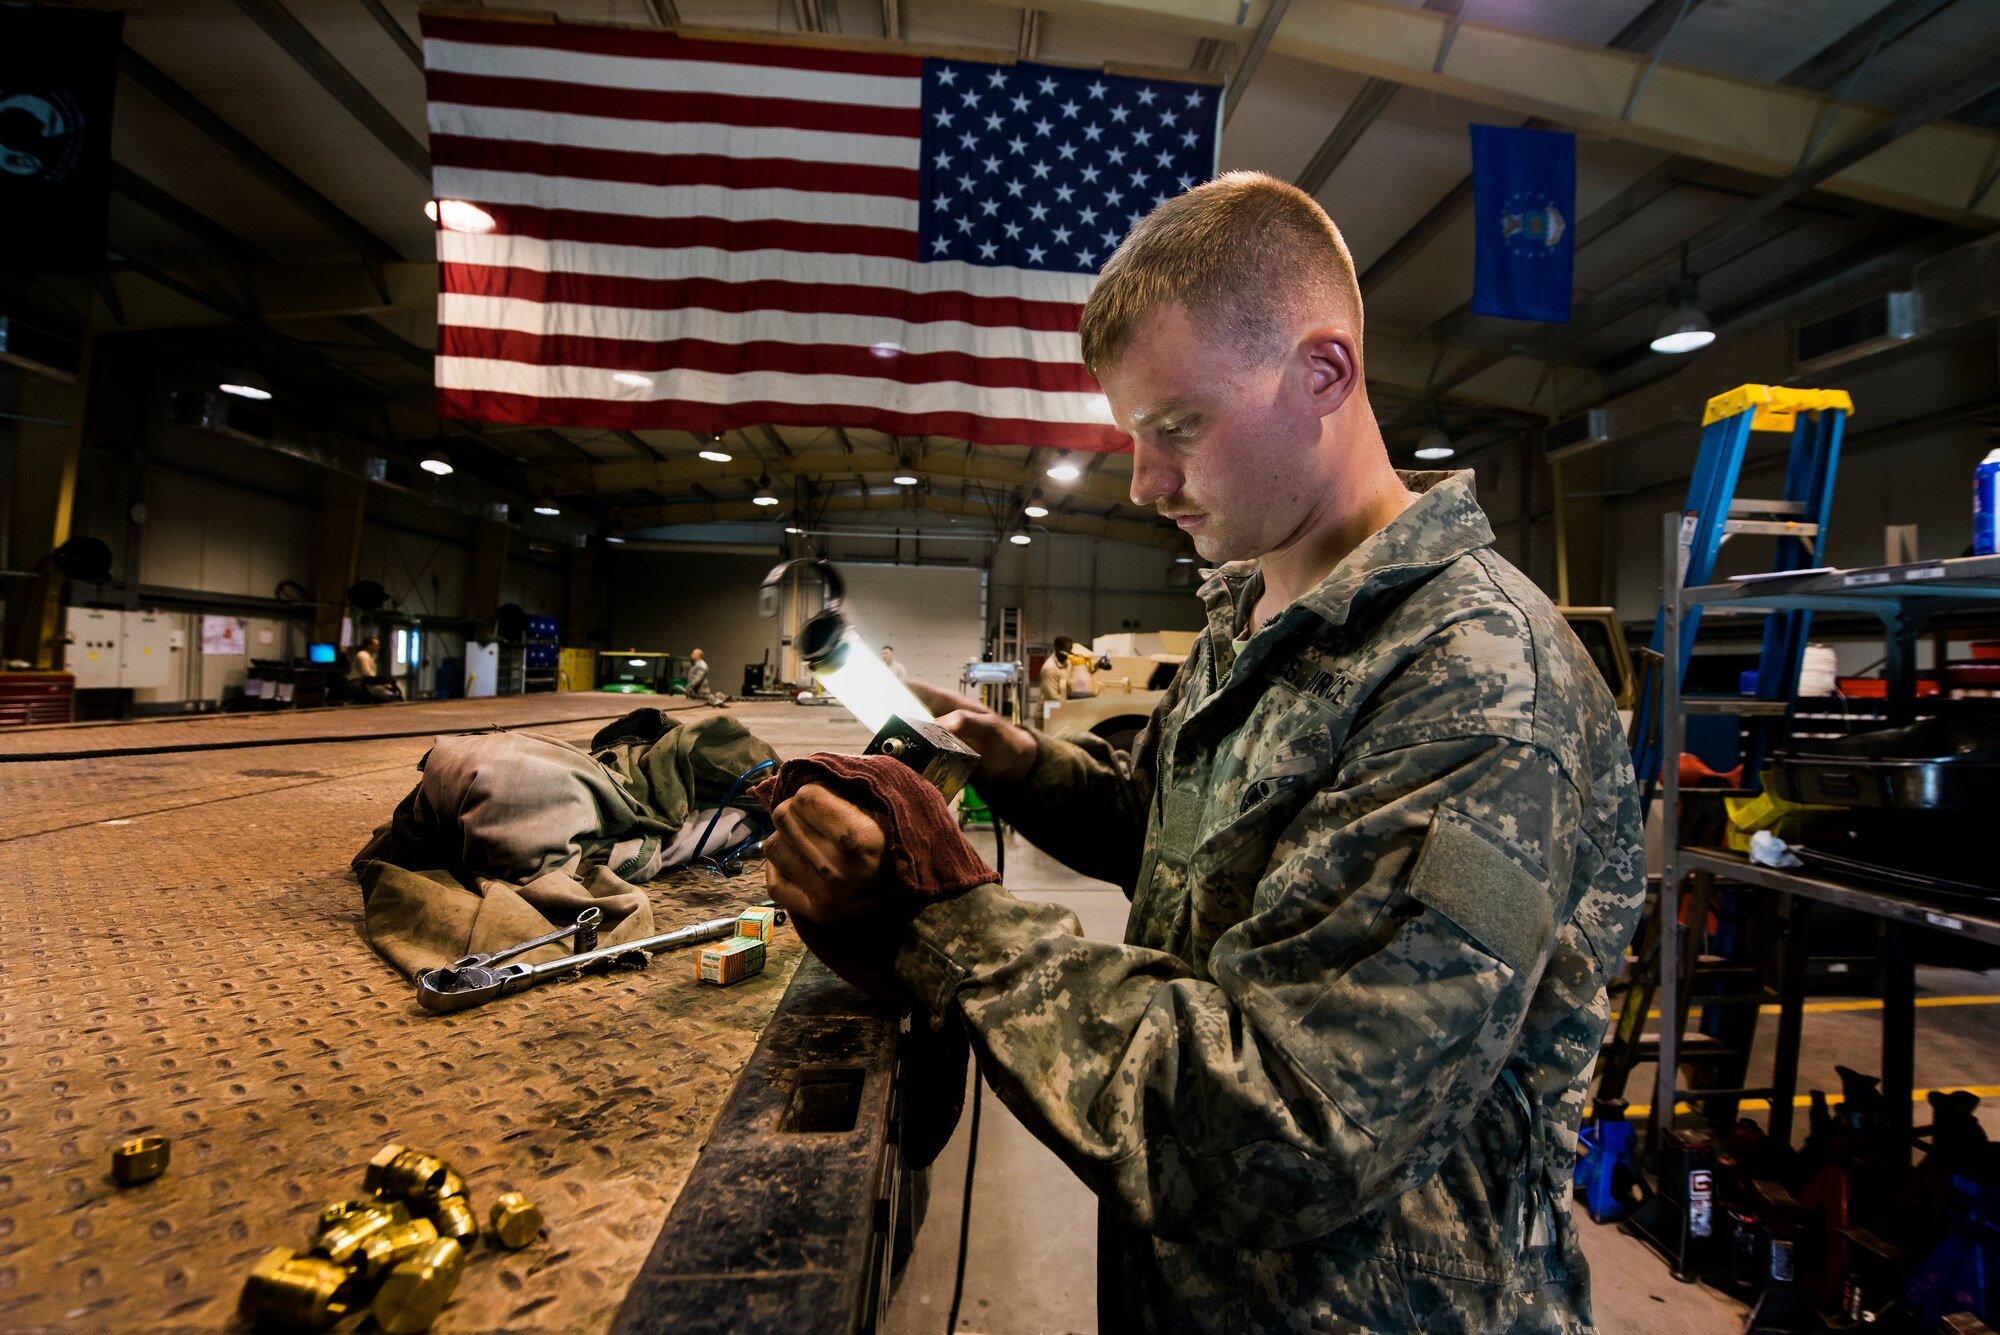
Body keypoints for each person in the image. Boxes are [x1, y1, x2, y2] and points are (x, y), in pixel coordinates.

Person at [760, 173, 1642, 1333]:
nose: (1144, 483)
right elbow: (1184, 850)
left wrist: (938, 920)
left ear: (1322, 374)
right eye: (1133, 435)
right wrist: (1018, 763)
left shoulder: (1477, 691)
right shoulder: (1256, 615)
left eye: (1175, 428)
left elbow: (1287, 1122)